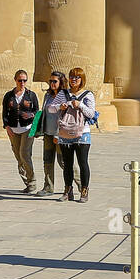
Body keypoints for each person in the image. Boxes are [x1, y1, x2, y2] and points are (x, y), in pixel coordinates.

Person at [47, 67, 97, 202]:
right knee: (67, 163)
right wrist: (59, 107)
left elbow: (91, 113)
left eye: (77, 77)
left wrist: (80, 105)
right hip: (65, 132)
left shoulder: (88, 94)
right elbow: (50, 108)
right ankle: (67, 190)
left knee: (82, 162)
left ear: (82, 80)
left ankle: (84, 190)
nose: (74, 80)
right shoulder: (63, 93)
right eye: (72, 77)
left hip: (82, 133)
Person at [2, 69, 39, 193]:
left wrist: (34, 126)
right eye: (20, 80)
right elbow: (4, 113)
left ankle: (32, 181)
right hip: (13, 130)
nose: (22, 83)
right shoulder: (9, 95)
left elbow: (37, 113)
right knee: (18, 156)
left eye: (24, 80)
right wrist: (7, 127)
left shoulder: (31, 95)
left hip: (28, 129)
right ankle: (27, 182)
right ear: (15, 80)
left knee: (24, 154)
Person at [36, 71, 65, 196]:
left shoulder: (65, 96)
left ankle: (81, 185)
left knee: (63, 162)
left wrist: (58, 134)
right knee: (47, 160)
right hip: (48, 133)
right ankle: (48, 187)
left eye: (55, 81)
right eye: (50, 81)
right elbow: (43, 112)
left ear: (61, 82)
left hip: (60, 134)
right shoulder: (47, 95)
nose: (52, 84)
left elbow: (66, 116)